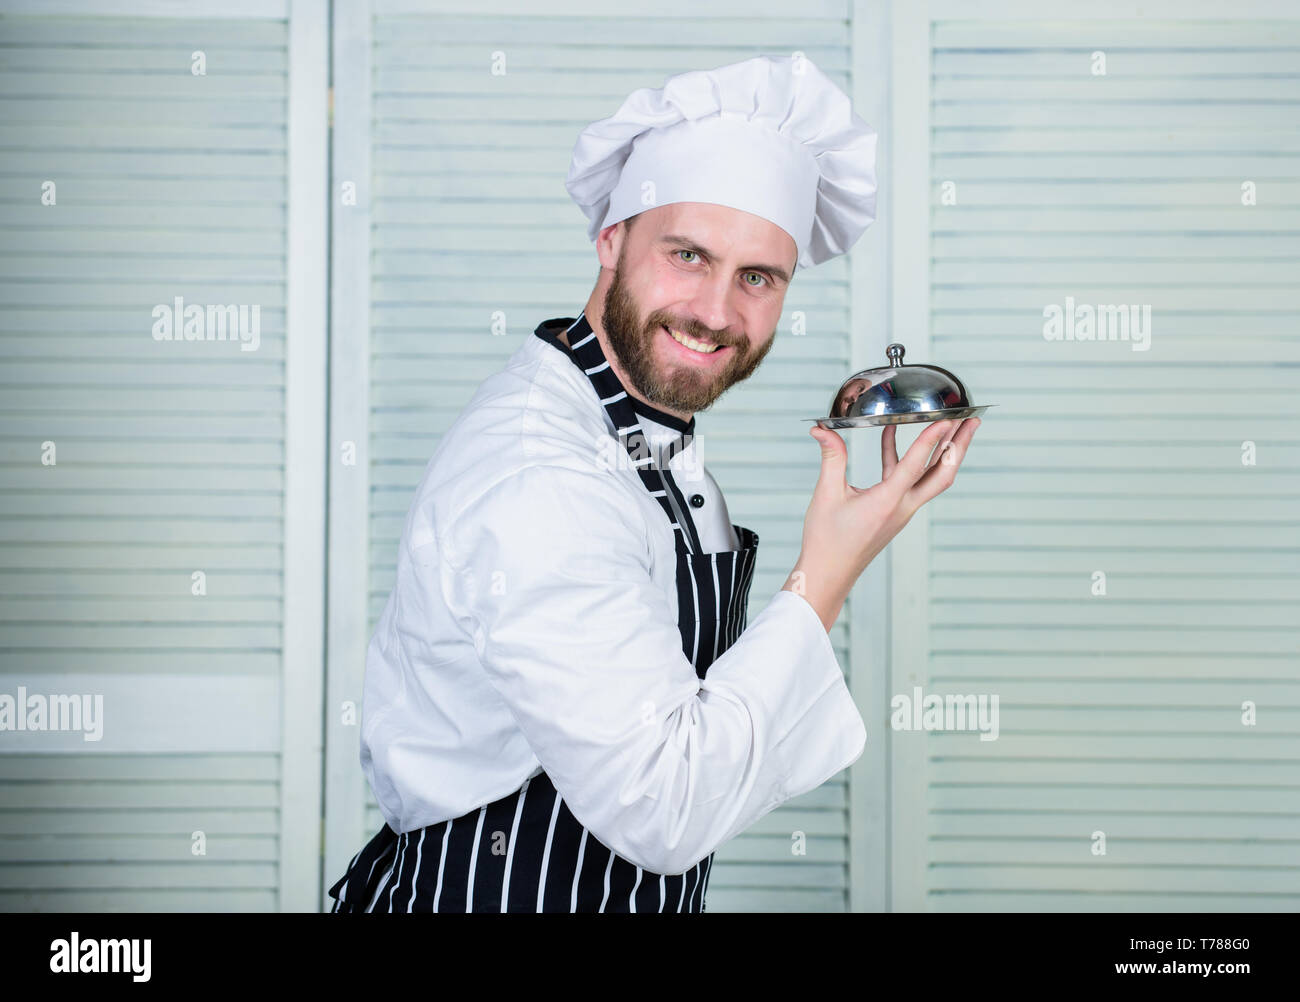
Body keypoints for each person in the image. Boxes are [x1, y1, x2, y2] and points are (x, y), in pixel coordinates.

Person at [327, 53, 980, 914]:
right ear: (611, 239)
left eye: (757, 277)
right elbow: (664, 803)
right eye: (687, 254)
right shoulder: (543, 475)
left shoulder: (637, 428)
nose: (715, 311)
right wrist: (825, 573)